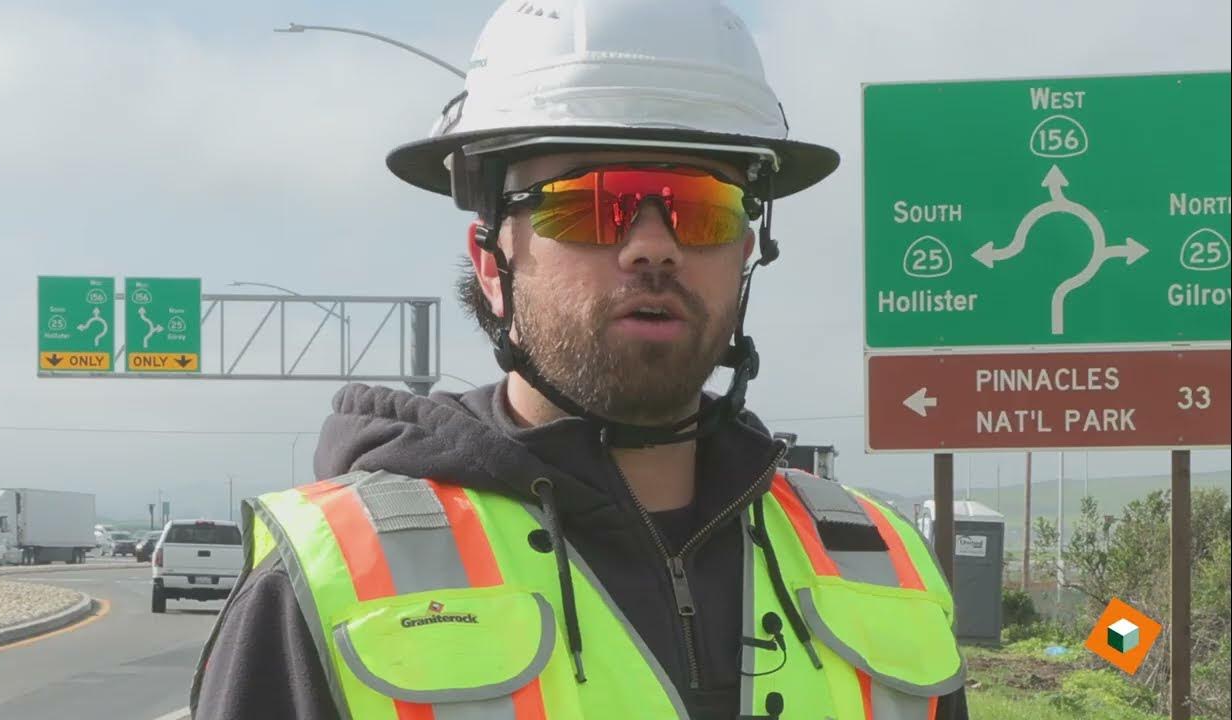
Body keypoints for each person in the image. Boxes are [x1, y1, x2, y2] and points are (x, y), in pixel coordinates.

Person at [192, 1, 969, 718]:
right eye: (588, 203)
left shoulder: (883, 564)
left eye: (702, 209)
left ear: (747, 251)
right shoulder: (330, 583)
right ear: (493, 261)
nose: (653, 247)